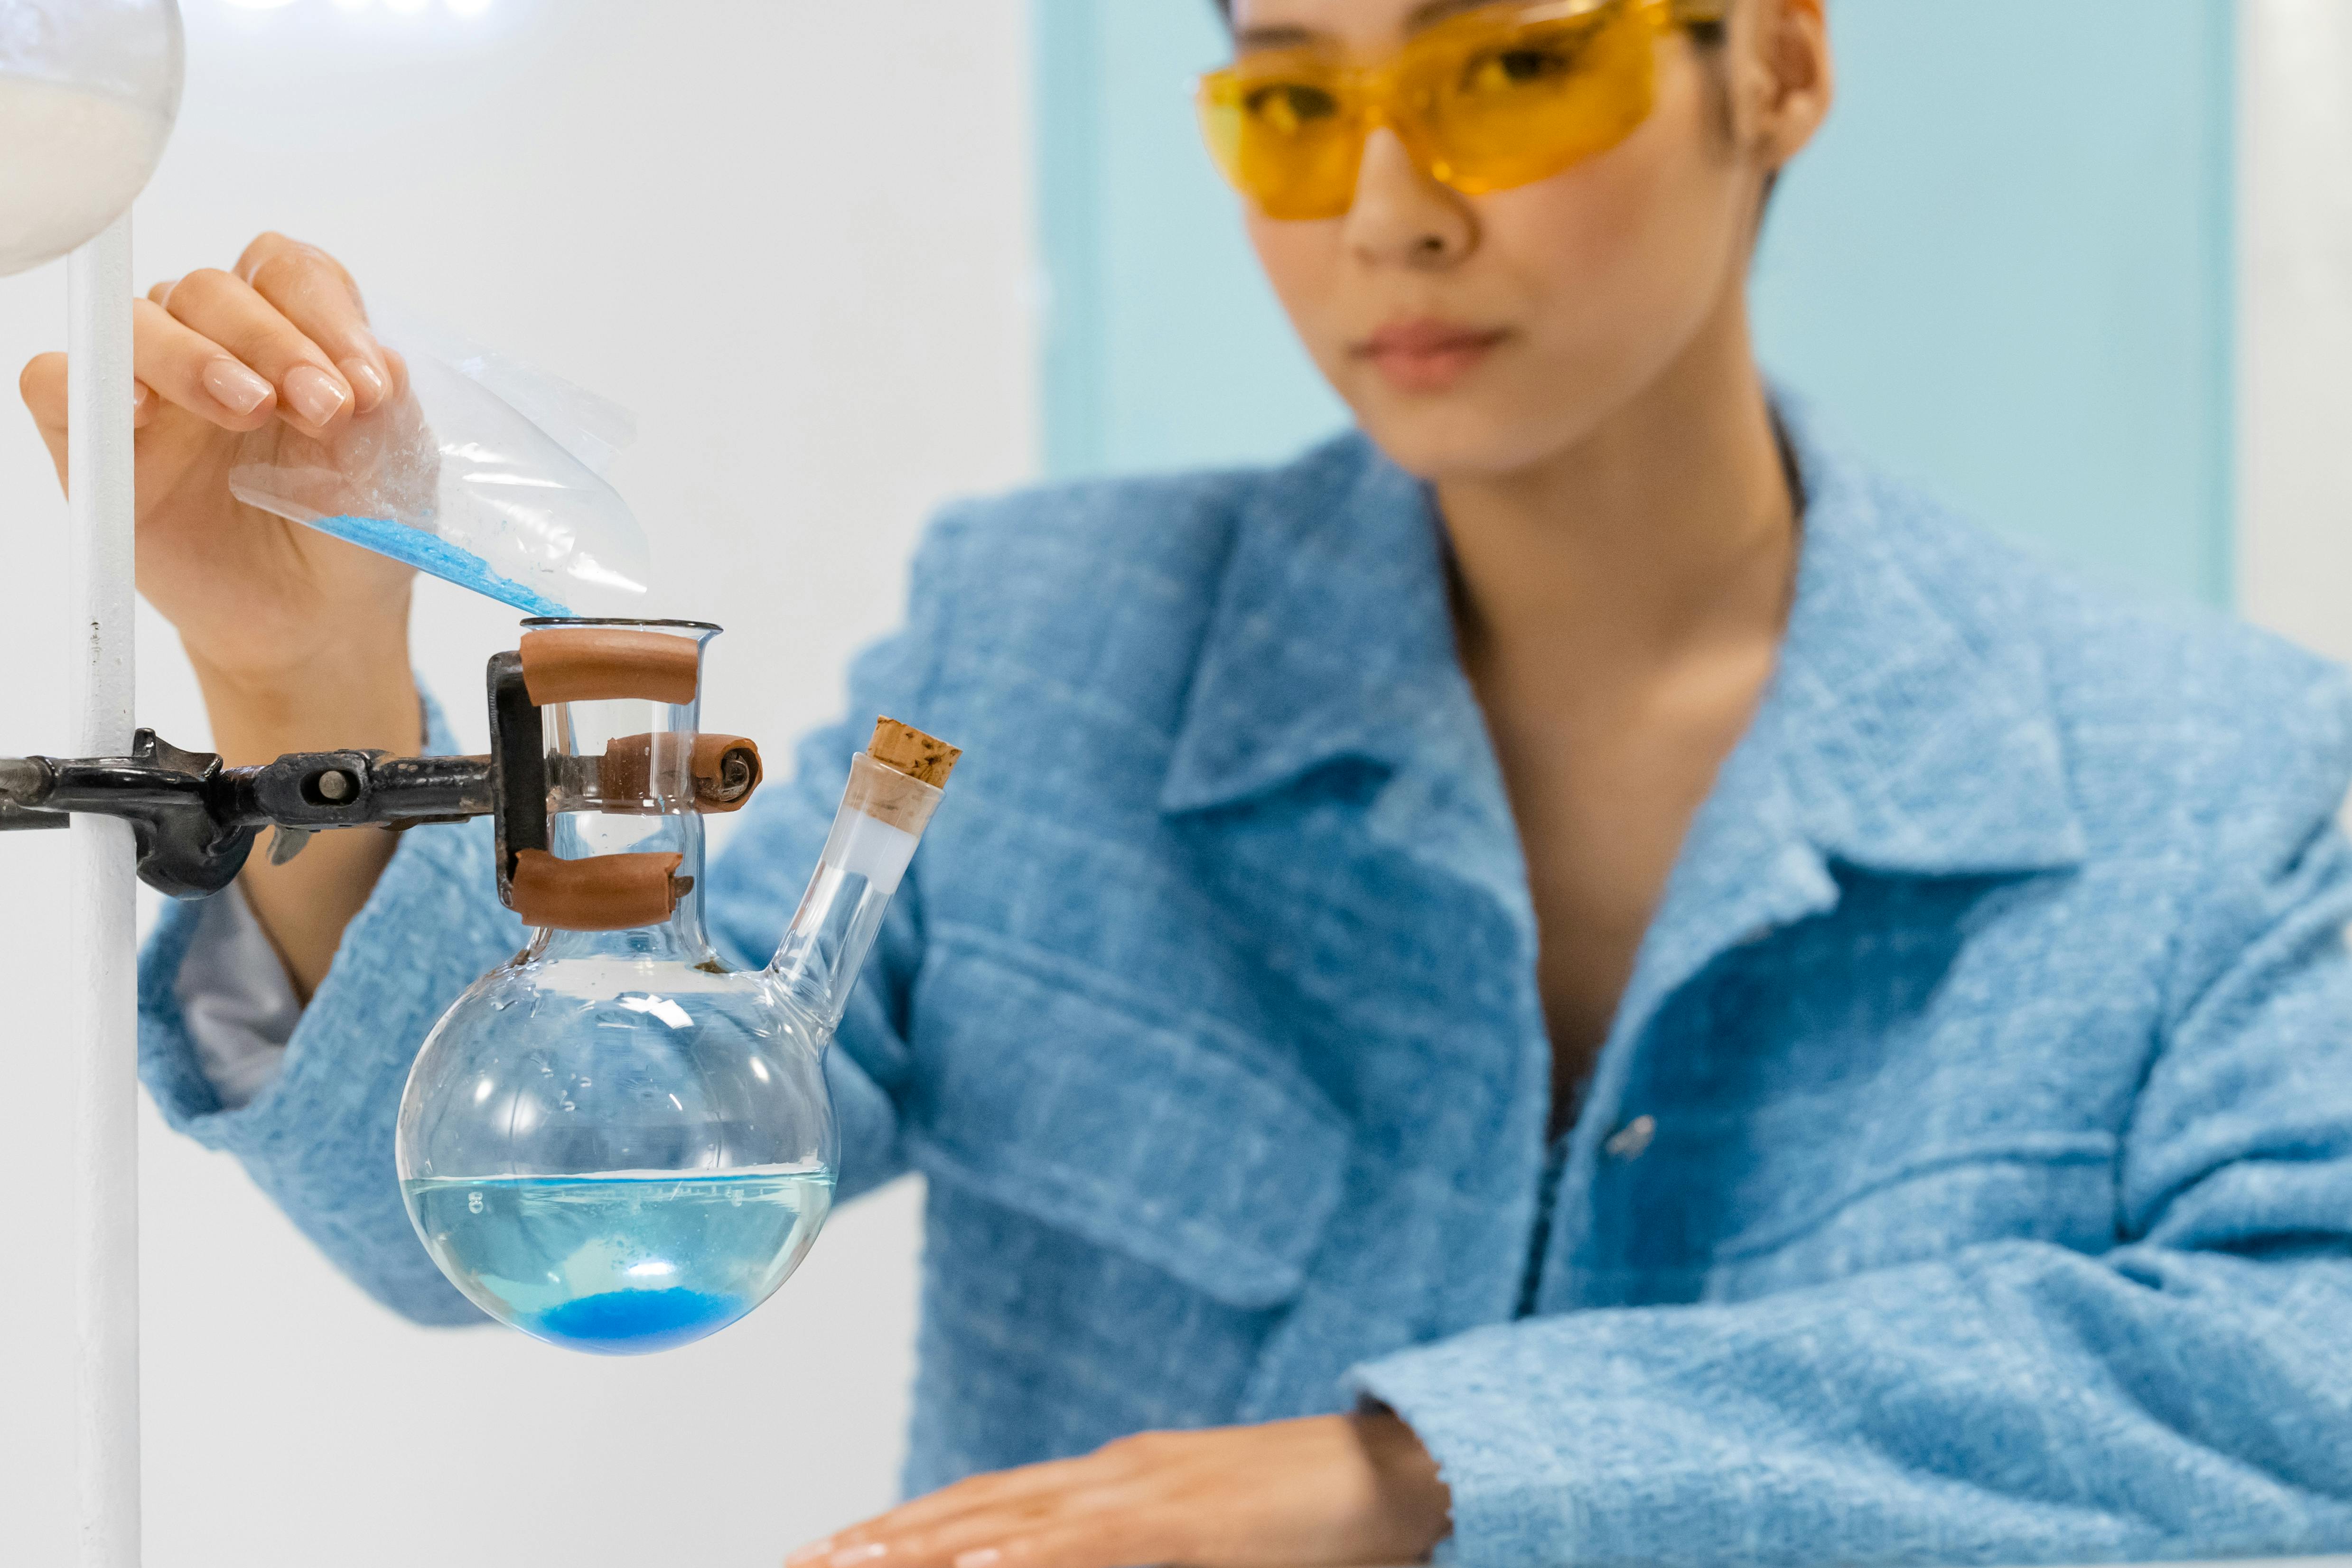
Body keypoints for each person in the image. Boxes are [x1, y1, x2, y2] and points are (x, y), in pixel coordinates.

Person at [21, 0, 2352, 1563]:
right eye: (1289, 98)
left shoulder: (2216, 784)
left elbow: (2299, 1374)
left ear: (1783, 66)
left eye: (1512, 68)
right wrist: (304, 663)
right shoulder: (1051, 652)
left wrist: (1404, 1471)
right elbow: (518, 1210)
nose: (1387, 209)